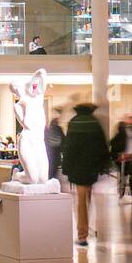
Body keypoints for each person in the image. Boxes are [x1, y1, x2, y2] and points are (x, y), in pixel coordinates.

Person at [61, 102, 110, 247]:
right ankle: (86, 229)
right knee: (88, 200)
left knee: (81, 202)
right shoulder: (95, 123)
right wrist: (102, 166)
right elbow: (102, 147)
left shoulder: (74, 123)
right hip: (92, 168)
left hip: (78, 169)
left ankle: (82, 235)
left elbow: (68, 148)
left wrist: (66, 168)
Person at [45, 107, 65, 180]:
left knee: (51, 169)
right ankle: (52, 180)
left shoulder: (48, 130)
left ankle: (50, 180)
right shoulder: (58, 129)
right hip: (55, 152)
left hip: (50, 152)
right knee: (53, 170)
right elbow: (63, 140)